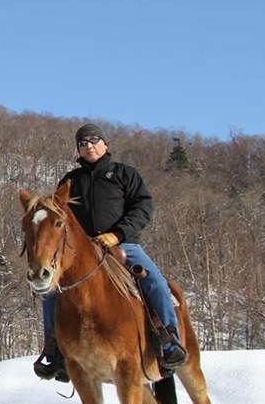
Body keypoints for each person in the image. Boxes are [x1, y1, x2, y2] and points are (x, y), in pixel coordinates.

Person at [33, 124, 188, 380]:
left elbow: (143, 208)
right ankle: (54, 350)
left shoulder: (125, 174)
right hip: (81, 251)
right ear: (78, 150)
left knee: (156, 283)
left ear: (105, 144)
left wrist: (118, 234)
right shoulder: (70, 181)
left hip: (123, 245)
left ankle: (169, 342)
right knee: (51, 289)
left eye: (94, 140)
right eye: (83, 143)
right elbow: (60, 217)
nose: (89, 146)